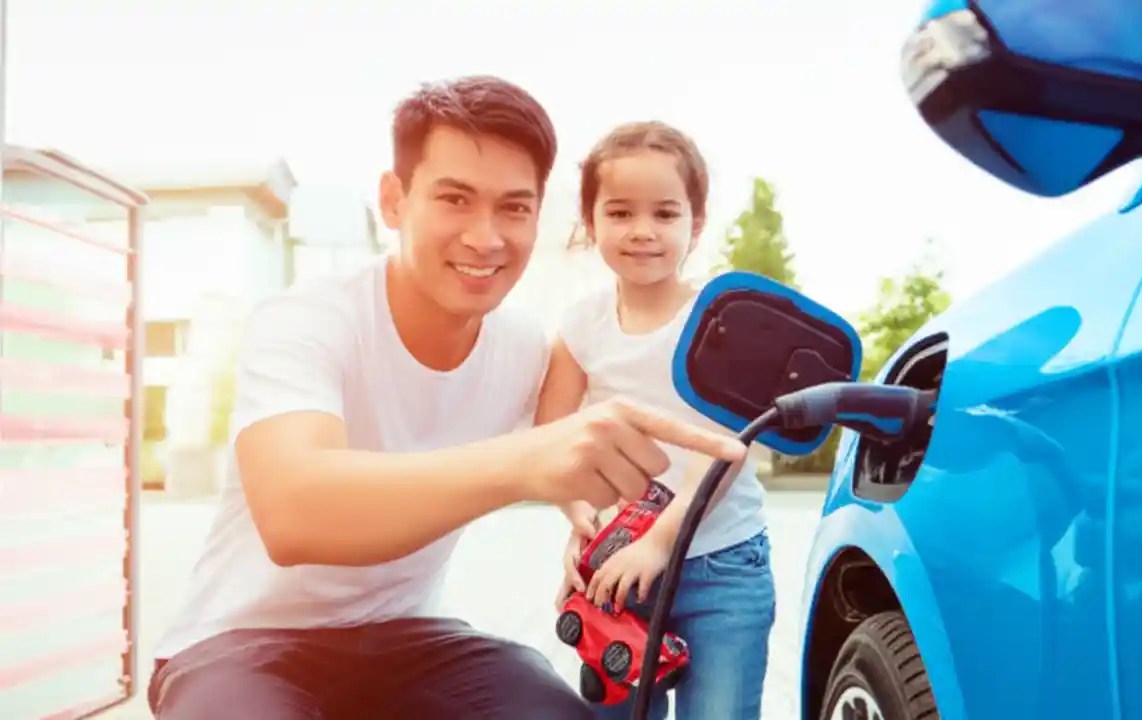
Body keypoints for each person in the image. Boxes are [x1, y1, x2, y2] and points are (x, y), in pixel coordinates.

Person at [146, 77, 745, 720]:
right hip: (237, 646)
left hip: (406, 639)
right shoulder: (307, 319)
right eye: (455, 199)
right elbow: (293, 513)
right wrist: (524, 465)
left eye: (514, 208)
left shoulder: (523, 350)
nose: (485, 237)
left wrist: (601, 526)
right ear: (394, 201)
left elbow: (633, 398)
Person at [538, 121, 776, 720]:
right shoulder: (582, 325)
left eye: (665, 214)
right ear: (590, 223)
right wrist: (581, 525)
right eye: (619, 213)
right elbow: (551, 439)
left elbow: (725, 445)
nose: (642, 231)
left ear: (695, 226)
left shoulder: (720, 318)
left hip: (723, 566)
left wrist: (660, 543)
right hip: (618, 573)